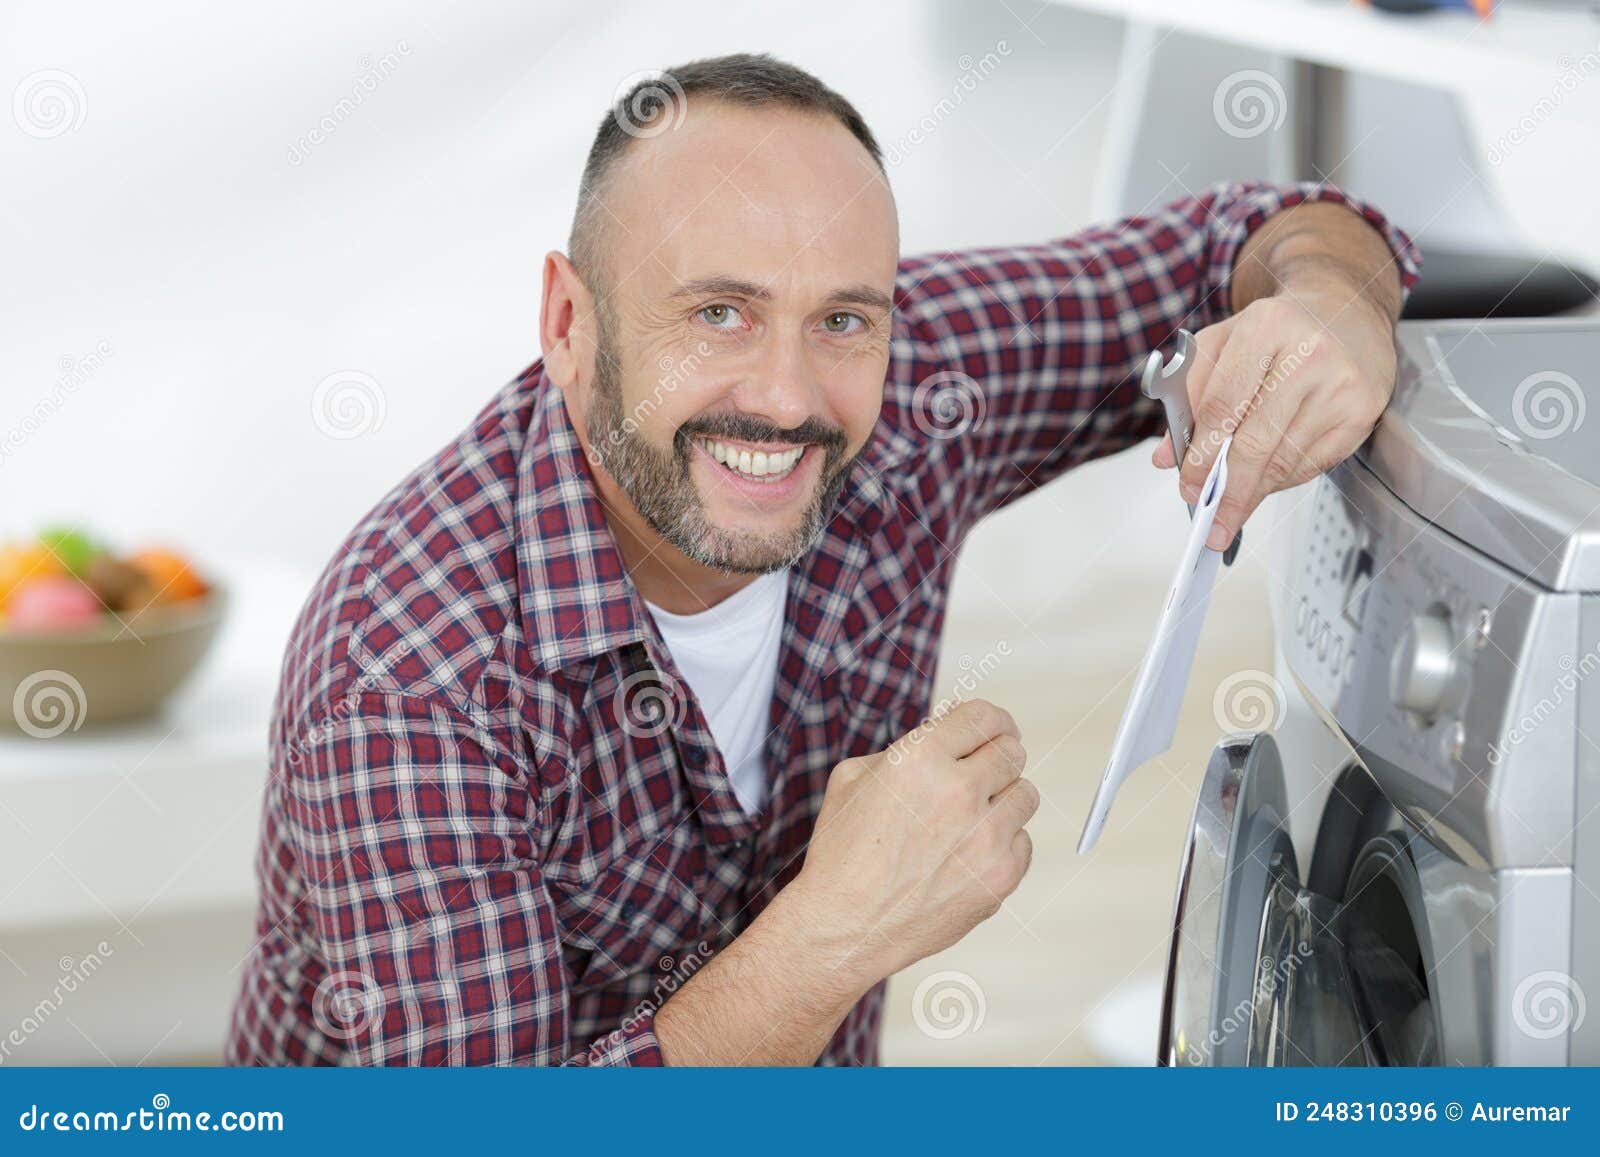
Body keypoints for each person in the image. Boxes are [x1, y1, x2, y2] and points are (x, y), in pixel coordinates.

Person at [227, 53, 1418, 1066]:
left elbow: (1255, 232)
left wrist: (1333, 305)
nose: (791, 394)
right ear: (567, 323)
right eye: (717, 314)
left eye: (843, 317)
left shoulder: (918, 386)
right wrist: (834, 933)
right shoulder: (403, 671)